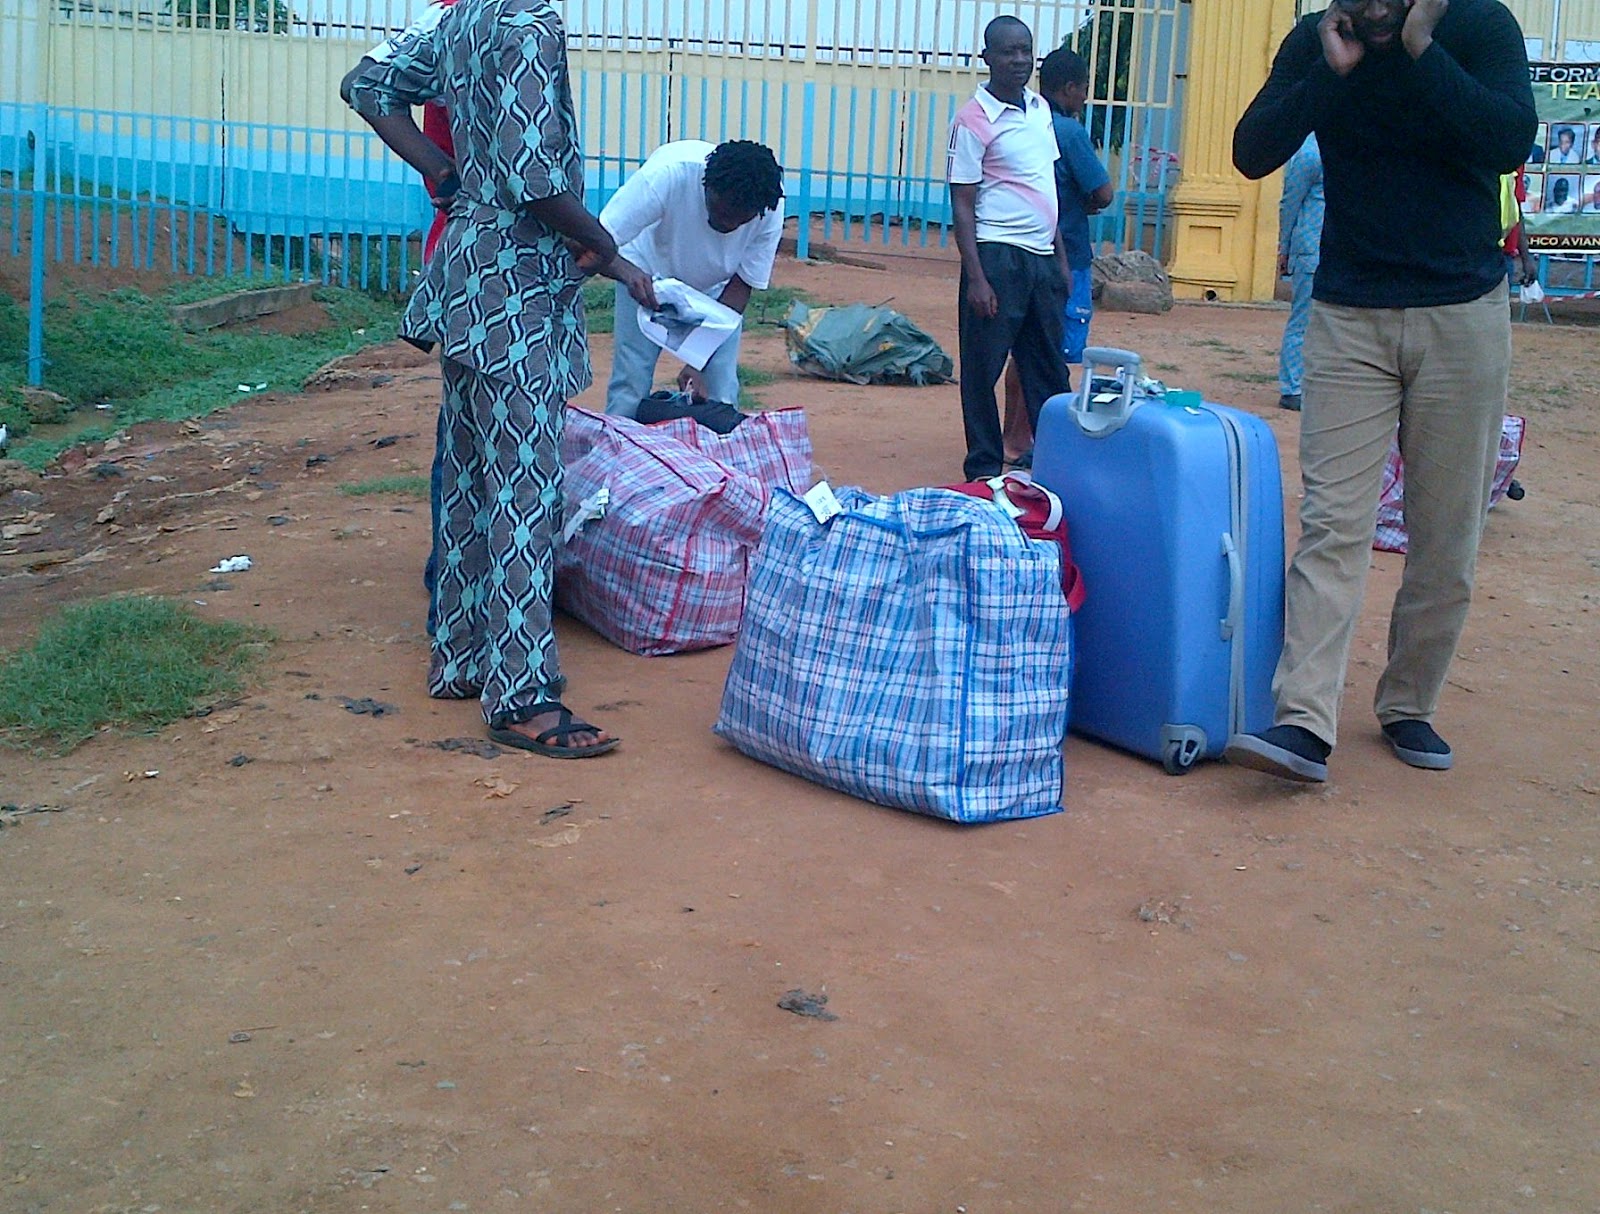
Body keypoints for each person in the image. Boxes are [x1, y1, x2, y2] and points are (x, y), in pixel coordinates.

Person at [1225, 0, 1536, 783]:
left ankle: (1408, 704)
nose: (1371, 8)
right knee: (1333, 522)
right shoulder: (1322, 39)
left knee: (1446, 532)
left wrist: (1424, 51)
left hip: (1462, 314)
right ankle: (1303, 721)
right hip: (1348, 318)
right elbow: (1252, 152)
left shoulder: (1479, 26)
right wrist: (1327, 78)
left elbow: (1507, 138)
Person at [345, 0, 654, 759]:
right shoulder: (528, 25)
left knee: (467, 480)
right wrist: (604, 245)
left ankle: (460, 656)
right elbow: (534, 175)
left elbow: (367, 85)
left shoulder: (461, 21)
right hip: (518, 292)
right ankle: (522, 696)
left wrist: (440, 170)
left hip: (465, 278)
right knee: (526, 495)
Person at [948, 15, 1075, 482]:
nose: (1019, 60)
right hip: (997, 256)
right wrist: (977, 278)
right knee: (983, 371)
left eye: (1025, 50)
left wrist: (1060, 260)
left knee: (1049, 371)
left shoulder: (1040, 109)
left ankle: (1056, 467)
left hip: (1041, 259)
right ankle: (983, 469)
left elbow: (1047, 188)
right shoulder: (972, 120)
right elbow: (962, 204)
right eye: (1008, 52)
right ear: (987, 58)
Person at [585, 140, 784, 416]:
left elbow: (742, 285)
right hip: (645, 275)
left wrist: (697, 359)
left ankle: (716, 446)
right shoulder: (668, 176)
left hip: (717, 293)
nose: (728, 224)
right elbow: (596, 242)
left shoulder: (767, 205)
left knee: (721, 394)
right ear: (706, 186)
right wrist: (628, 274)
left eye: (740, 220)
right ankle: (620, 441)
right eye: (722, 212)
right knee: (631, 383)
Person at [997, 46, 1114, 465]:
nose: (1084, 97)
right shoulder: (1068, 132)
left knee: (1024, 347)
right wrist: (1084, 202)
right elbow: (1103, 192)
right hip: (1066, 253)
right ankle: (1032, 439)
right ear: (1069, 88)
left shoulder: (1024, 121)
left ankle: (1012, 435)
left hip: (1023, 249)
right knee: (1052, 351)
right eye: (1083, 89)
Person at [1276, 133, 1323, 412]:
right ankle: (1292, 387)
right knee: (1303, 319)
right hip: (1312, 248)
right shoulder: (1309, 155)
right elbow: (1290, 203)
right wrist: (1284, 247)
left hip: (1336, 249)